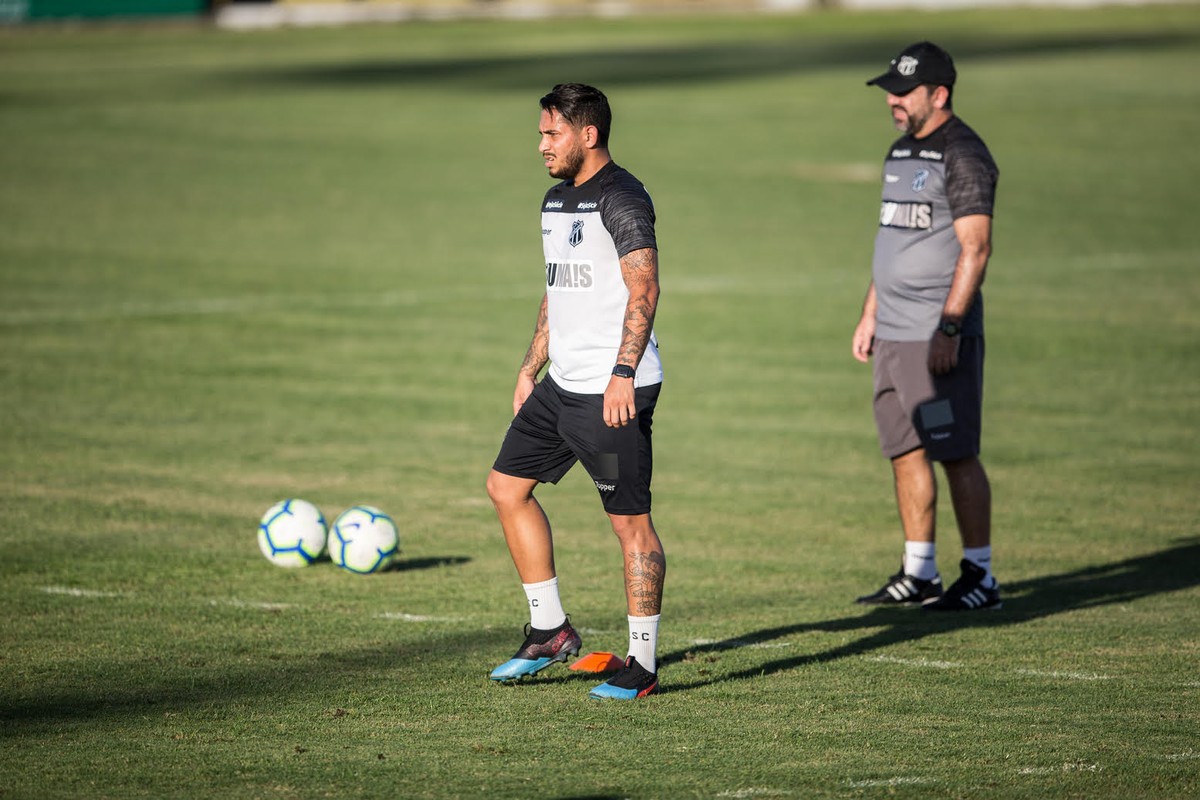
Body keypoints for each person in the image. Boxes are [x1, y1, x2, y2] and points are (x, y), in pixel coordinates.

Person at [486, 83, 665, 698]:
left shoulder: (623, 198)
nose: (542, 146)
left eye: (551, 133)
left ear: (588, 134)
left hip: (611, 391)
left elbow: (644, 289)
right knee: (506, 488)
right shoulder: (555, 201)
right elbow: (557, 290)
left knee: (629, 524)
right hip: (562, 385)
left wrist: (623, 374)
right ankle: (549, 629)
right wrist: (529, 365)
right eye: (541, 133)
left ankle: (642, 664)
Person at [851, 42, 1001, 611]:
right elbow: (893, 241)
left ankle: (981, 576)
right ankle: (920, 571)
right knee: (904, 447)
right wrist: (870, 311)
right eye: (889, 89)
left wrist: (951, 327)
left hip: (933, 337)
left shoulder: (964, 154)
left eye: (903, 91)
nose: (892, 99)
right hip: (891, 332)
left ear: (939, 94)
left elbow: (976, 248)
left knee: (954, 450)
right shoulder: (899, 151)